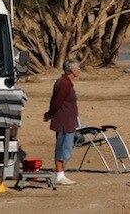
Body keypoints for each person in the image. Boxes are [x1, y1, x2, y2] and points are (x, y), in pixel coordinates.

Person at [44, 58, 81, 186]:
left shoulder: (66, 82)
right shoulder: (63, 83)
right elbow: (56, 101)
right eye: (78, 68)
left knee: (66, 147)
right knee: (62, 147)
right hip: (64, 121)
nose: (79, 70)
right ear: (72, 70)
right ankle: (59, 175)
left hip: (69, 121)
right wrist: (49, 114)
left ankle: (61, 174)